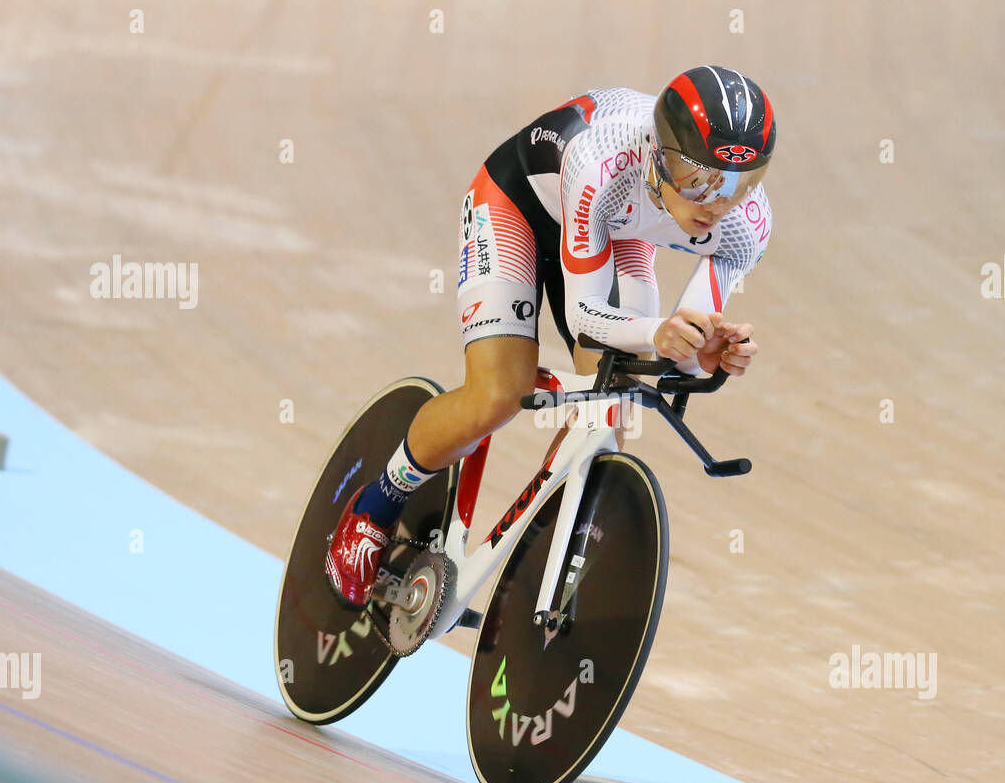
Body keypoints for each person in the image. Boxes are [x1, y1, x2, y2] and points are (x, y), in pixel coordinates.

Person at [325, 65, 776, 607]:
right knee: (498, 393)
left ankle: (540, 552)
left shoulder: (745, 223)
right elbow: (587, 316)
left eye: (738, 183)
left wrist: (705, 354)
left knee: (614, 407)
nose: (715, 203)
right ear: (660, 155)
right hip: (519, 203)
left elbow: (677, 352)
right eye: (699, 179)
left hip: (615, 229)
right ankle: (375, 504)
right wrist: (659, 334)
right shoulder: (605, 162)